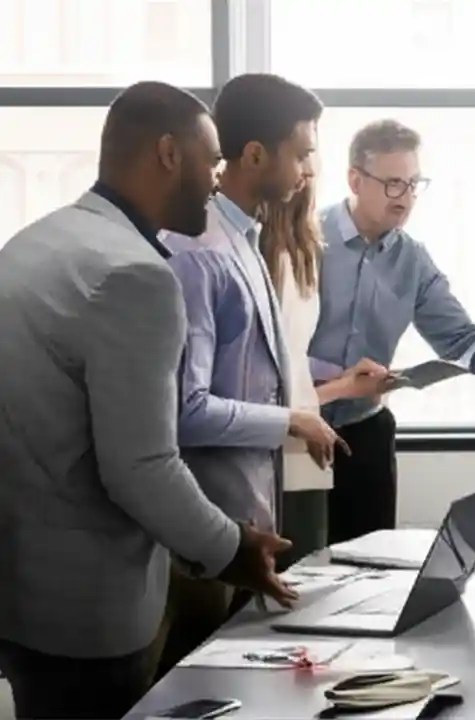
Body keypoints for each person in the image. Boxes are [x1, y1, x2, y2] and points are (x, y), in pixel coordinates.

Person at [0, 82, 296, 720]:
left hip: (23, 589)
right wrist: (234, 547)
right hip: (92, 605)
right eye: (210, 161)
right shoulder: (135, 276)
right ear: (168, 153)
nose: (216, 183)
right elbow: (141, 467)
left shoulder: (36, 243)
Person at [309, 119, 475, 545]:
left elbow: (462, 342)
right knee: (299, 576)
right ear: (355, 180)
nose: (406, 198)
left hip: (366, 434)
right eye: (393, 184)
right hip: (299, 429)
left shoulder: (412, 260)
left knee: (368, 569)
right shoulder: (305, 238)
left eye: (414, 184)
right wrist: (336, 383)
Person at [156, 73, 341, 675]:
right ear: (256, 154)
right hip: (201, 537)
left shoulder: (242, 240)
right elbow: (186, 410)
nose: (307, 170)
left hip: (240, 533)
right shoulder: (201, 253)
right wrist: (291, 419)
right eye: (301, 153)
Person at [260, 180, 392, 568]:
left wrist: (345, 381)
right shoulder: (267, 257)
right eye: (303, 158)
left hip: (303, 455)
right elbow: (265, 387)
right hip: (279, 454)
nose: (304, 174)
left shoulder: (297, 254)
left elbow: (291, 365)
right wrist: (343, 388)